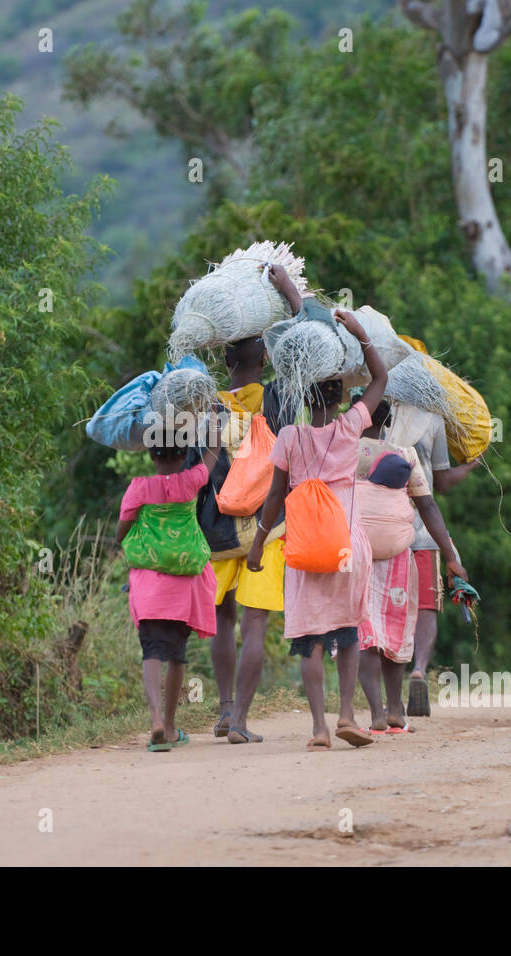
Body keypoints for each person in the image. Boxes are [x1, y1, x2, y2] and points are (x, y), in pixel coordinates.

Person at [246, 306, 387, 751]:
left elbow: (273, 498)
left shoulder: (290, 437)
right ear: (341, 398)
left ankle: (320, 729)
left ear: (305, 399)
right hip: (347, 545)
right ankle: (348, 713)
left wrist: (258, 544)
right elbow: (380, 380)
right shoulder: (351, 428)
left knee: (309, 637)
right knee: (346, 631)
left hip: (305, 546)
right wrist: (361, 333)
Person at [197, 262, 298, 745]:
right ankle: (240, 724)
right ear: (265, 356)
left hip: (215, 532)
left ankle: (224, 708)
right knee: (254, 623)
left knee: (223, 619)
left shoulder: (206, 406)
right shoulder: (276, 401)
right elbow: (306, 355)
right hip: (265, 531)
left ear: (224, 362)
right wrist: (290, 296)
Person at [355, 399, 469, 733]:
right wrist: (450, 555)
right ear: (387, 421)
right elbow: (429, 504)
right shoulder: (404, 455)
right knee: (396, 632)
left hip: (357, 557)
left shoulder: (343, 452)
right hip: (401, 557)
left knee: (366, 635)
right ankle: (396, 712)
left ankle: (375, 713)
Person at [116, 423, 221, 752]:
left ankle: (156, 719)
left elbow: (122, 529)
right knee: (176, 655)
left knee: (152, 653)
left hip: (149, 587)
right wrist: (214, 427)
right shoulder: (191, 482)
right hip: (183, 588)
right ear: (184, 453)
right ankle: (172, 728)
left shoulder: (139, 488)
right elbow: (212, 457)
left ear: (149, 453)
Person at [383, 402, 479, 717]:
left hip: (379, 529)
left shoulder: (369, 407)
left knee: (383, 607)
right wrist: (473, 464)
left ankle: (387, 695)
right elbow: (444, 481)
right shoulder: (431, 417)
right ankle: (419, 669)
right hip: (423, 530)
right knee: (425, 606)